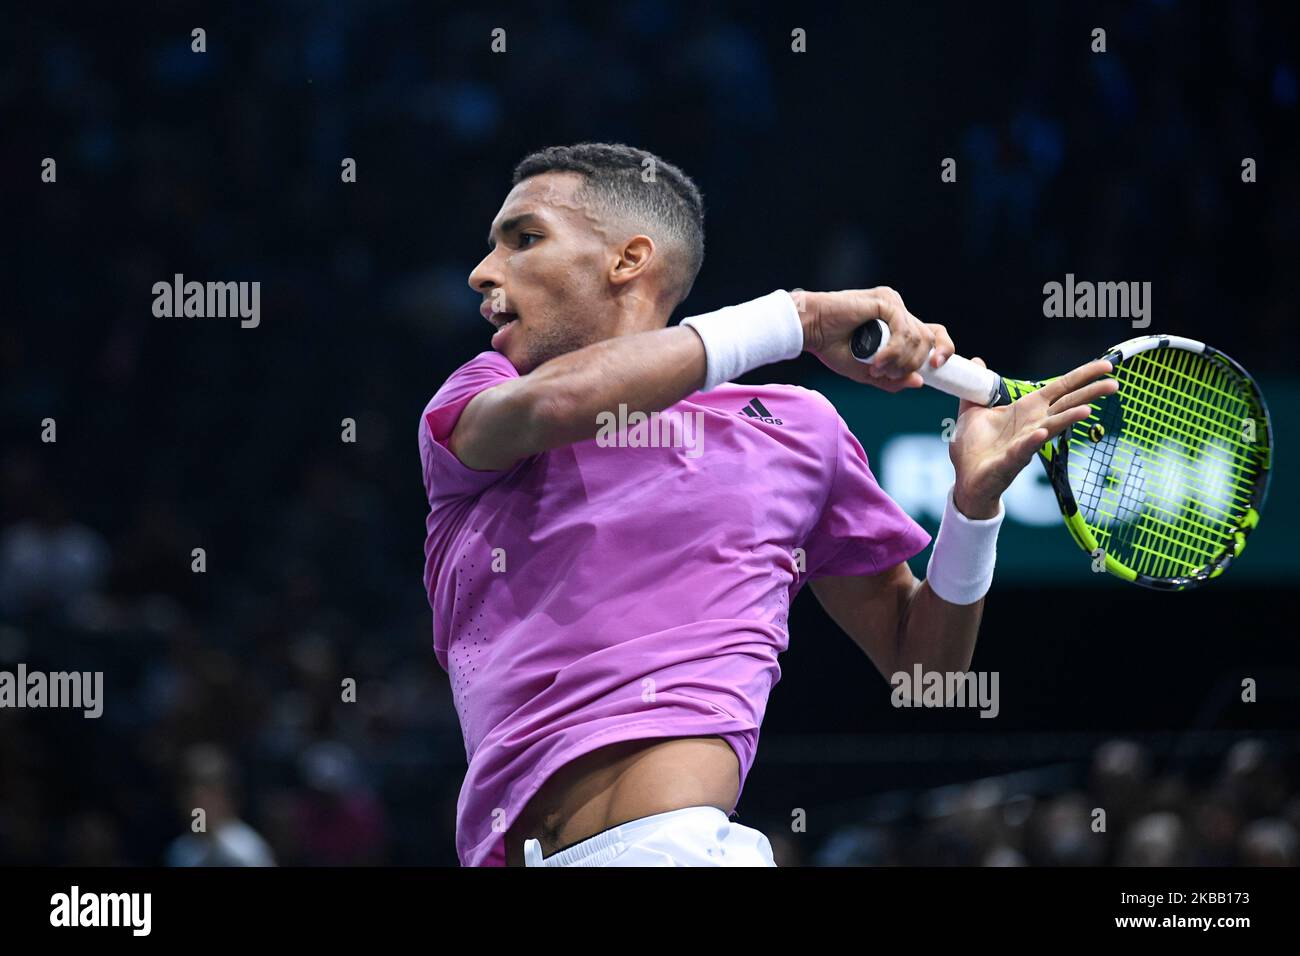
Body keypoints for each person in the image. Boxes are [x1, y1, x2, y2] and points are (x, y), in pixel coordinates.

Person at [419, 142, 1114, 866]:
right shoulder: (481, 398)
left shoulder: (798, 430)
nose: (483, 271)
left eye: (523, 239)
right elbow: (565, 401)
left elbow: (924, 672)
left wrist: (974, 509)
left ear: (628, 260)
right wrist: (799, 319)